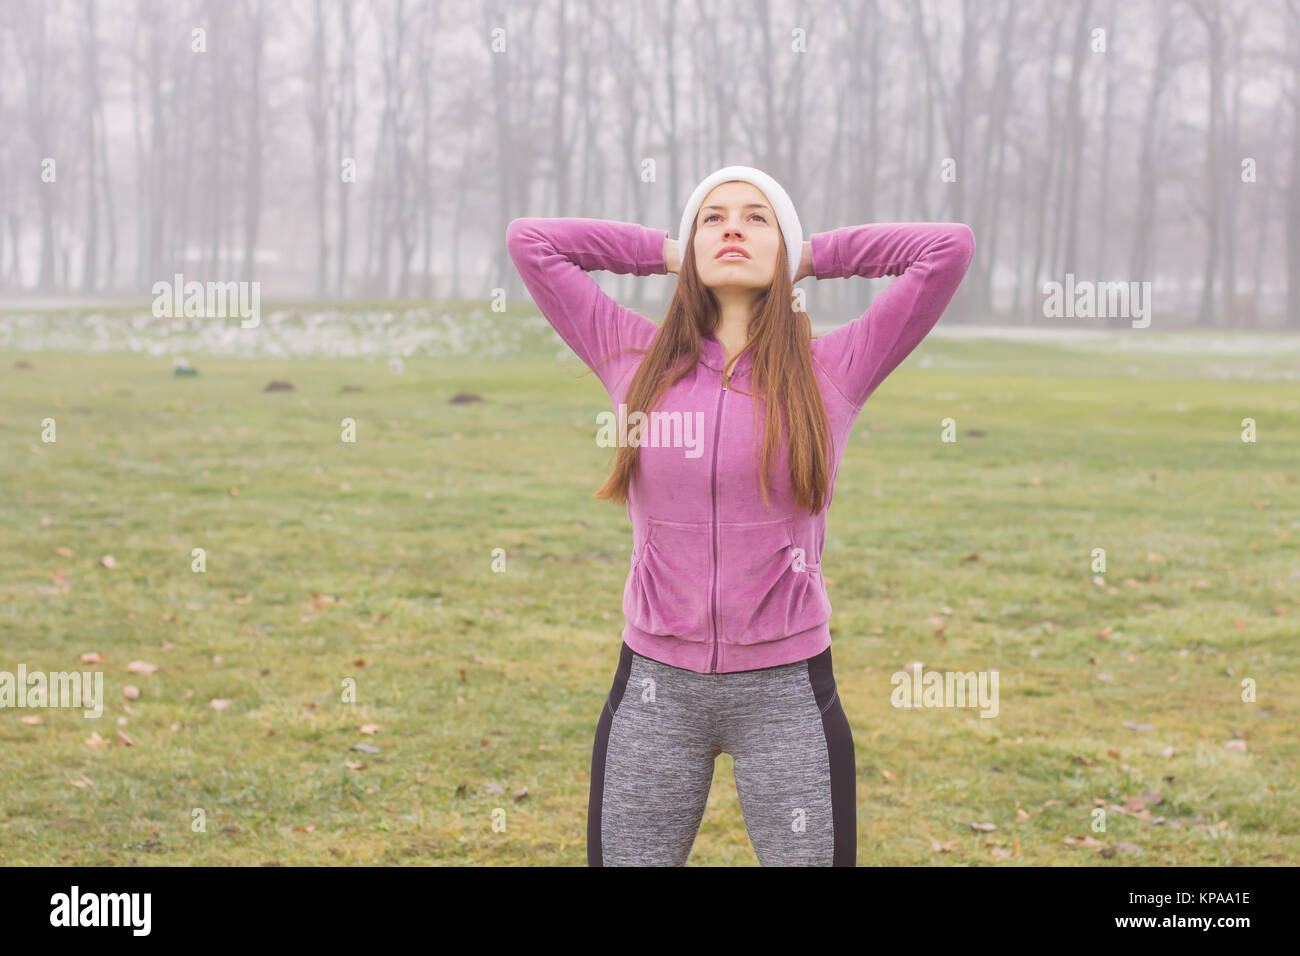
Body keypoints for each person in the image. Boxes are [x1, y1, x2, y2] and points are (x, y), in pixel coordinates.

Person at [505, 165, 975, 866]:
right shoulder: (633, 358)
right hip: (656, 691)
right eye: (712, 218)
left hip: (786, 695)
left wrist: (807, 253)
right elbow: (531, 241)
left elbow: (948, 248)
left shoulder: (834, 369)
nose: (732, 227)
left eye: (757, 218)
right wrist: (669, 252)